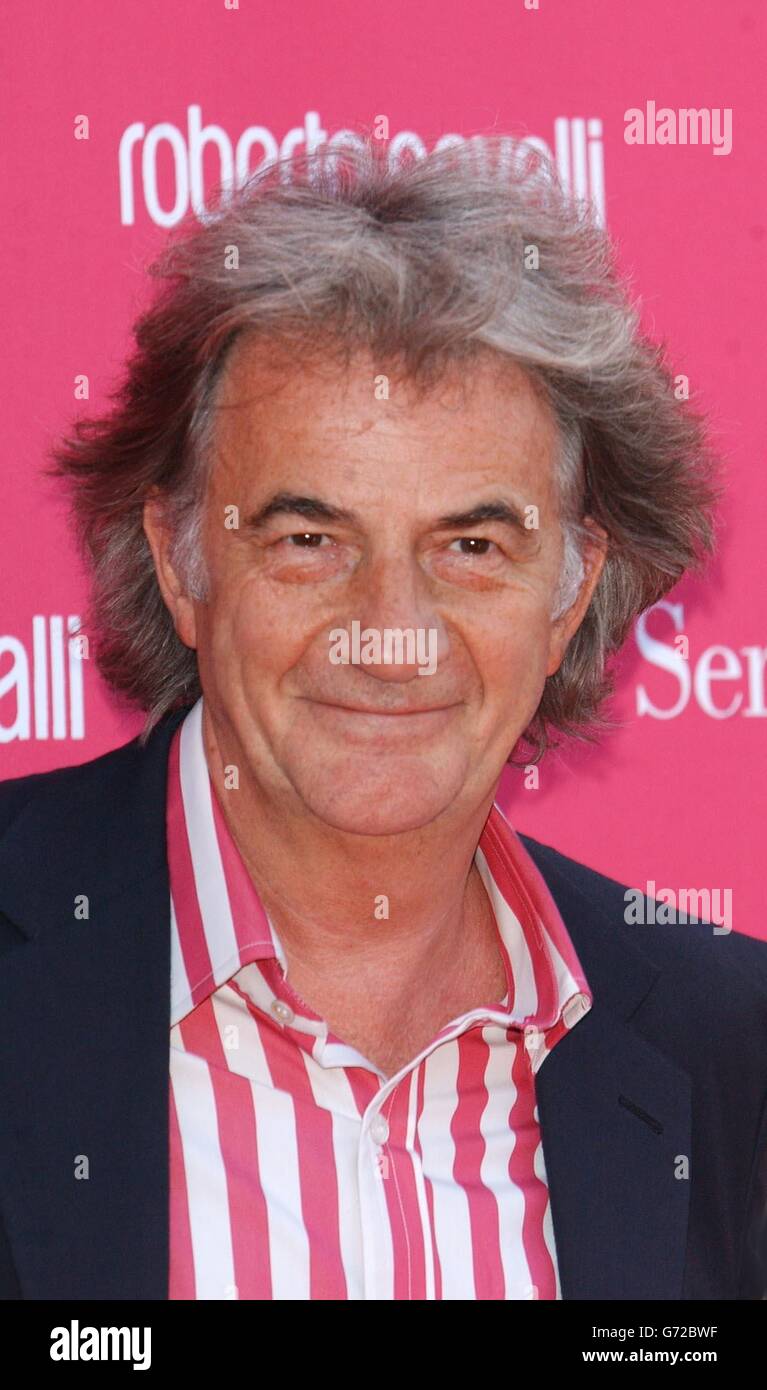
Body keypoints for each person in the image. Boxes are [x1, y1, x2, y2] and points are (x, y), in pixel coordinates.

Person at [0, 137, 765, 1301]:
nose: (391, 630)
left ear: (567, 593)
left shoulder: (727, 1045)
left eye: (471, 546)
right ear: (181, 561)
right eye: (310, 540)